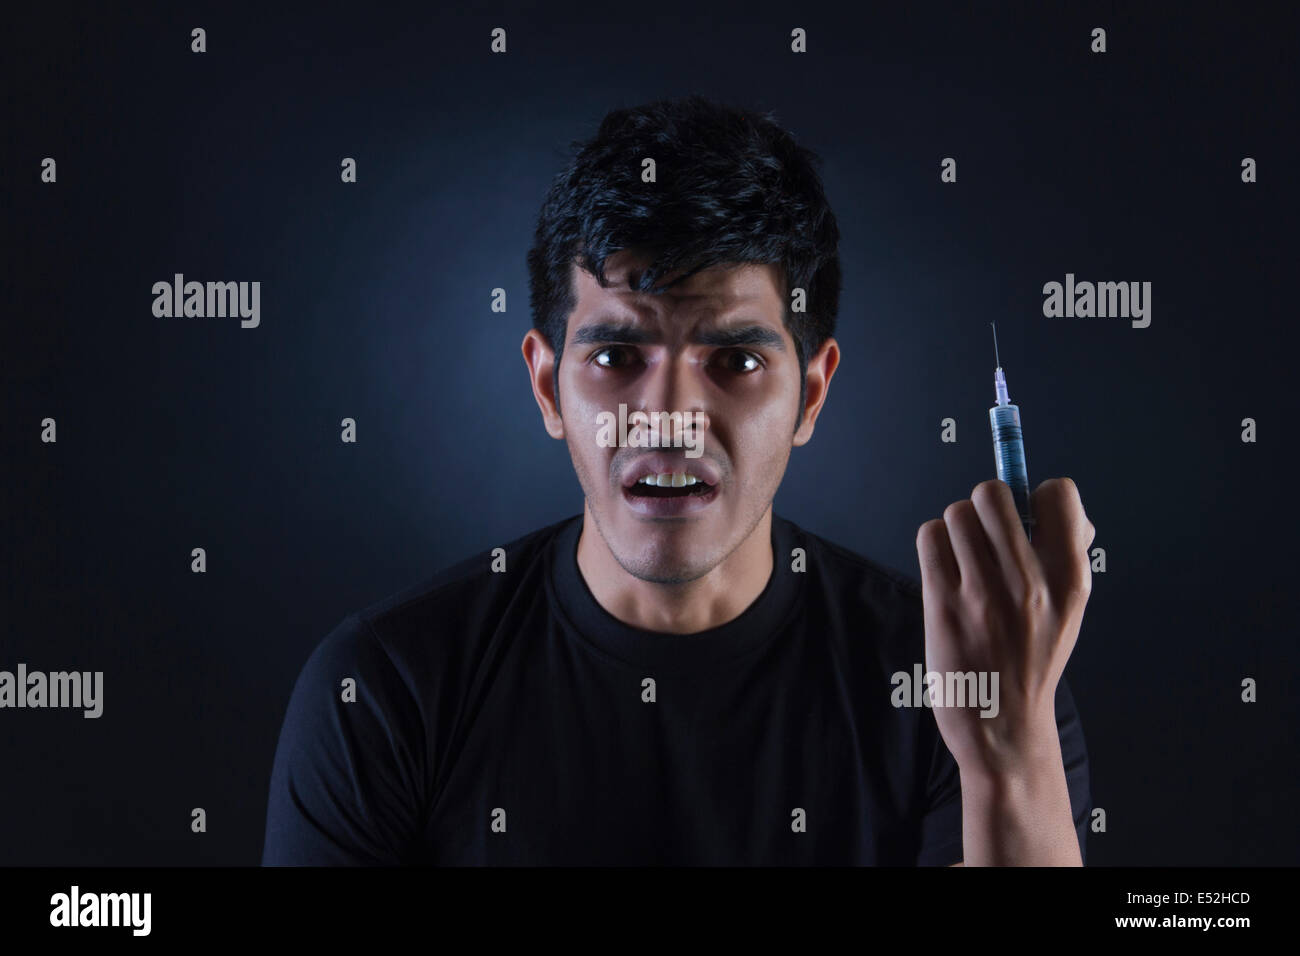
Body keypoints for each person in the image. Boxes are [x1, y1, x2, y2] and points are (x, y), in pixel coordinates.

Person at [262, 93, 1093, 866]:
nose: (668, 416)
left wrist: (1009, 753)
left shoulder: (972, 680)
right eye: (618, 356)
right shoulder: (379, 690)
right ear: (549, 387)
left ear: (809, 395)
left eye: (733, 359)